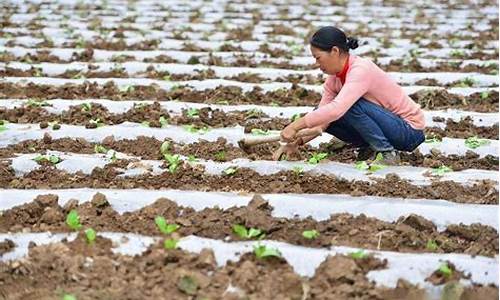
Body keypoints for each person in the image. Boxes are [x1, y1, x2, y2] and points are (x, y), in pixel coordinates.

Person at [274, 26, 425, 165]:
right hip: (389, 127)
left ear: (334, 51)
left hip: (409, 131)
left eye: (318, 57)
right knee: (322, 113)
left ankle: (387, 153)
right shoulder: (333, 80)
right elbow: (322, 120)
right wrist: (296, 142)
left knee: (348, 106)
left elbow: (337, 108)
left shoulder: (360, 69)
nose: (316, 63)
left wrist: (294, 126)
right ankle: (370, 147)